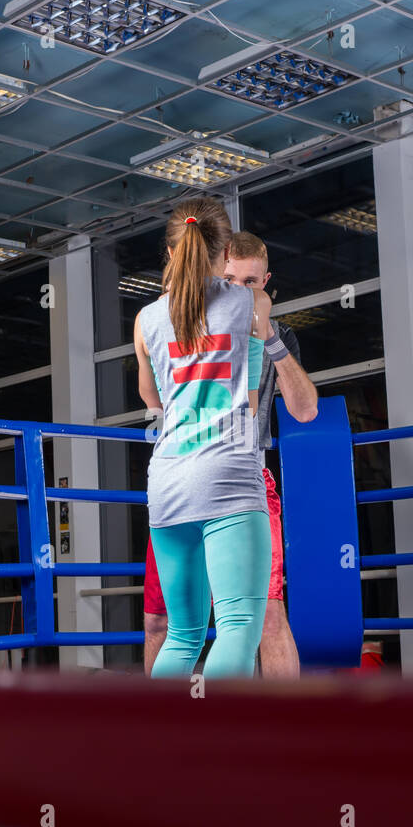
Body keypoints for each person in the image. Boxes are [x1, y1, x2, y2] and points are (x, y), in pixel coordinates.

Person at [141, 231, 317, 677]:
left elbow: (306, 409)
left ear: (267, 282)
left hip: (240, 479)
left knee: (265, 615)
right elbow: (157, 403)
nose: (240, 291)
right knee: (163, 622)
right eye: (231, 279)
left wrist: (269, 338)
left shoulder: (276, 333)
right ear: (215, 273)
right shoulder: (183, 323)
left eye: (251, 283)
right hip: (185, 475)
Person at [133, 198, 274, 678]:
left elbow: (151, 397)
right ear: (226, 251)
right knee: (237, 626)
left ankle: (160, 747)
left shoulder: (146, 320)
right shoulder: (250, 303)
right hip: (229, 472)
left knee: (182, 633)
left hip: (169, 477)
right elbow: (251, 391)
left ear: (171, 251)